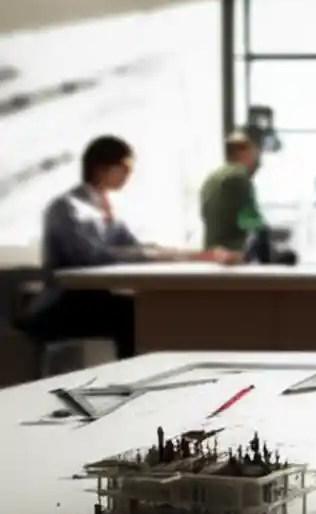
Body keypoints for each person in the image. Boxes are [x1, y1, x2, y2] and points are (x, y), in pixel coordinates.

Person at [21, 136, 238, 359]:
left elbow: (135, 248)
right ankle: (131, 377)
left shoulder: (107, 208)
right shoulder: (68, 208)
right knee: (137, 316)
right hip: (61, 304)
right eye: (125, 168)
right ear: (101, 168)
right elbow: (91, 257)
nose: (129, 174)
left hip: (95, 299)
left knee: (151, 312)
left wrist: (198, 255)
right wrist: (171, 256)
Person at [200, 130, 266, 251]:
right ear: (241, 152)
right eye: (253, 153)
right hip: (232, 252)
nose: (255, 159)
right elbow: (251, 220)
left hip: (211, 249)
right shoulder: (238, 177)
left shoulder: (213, 177)